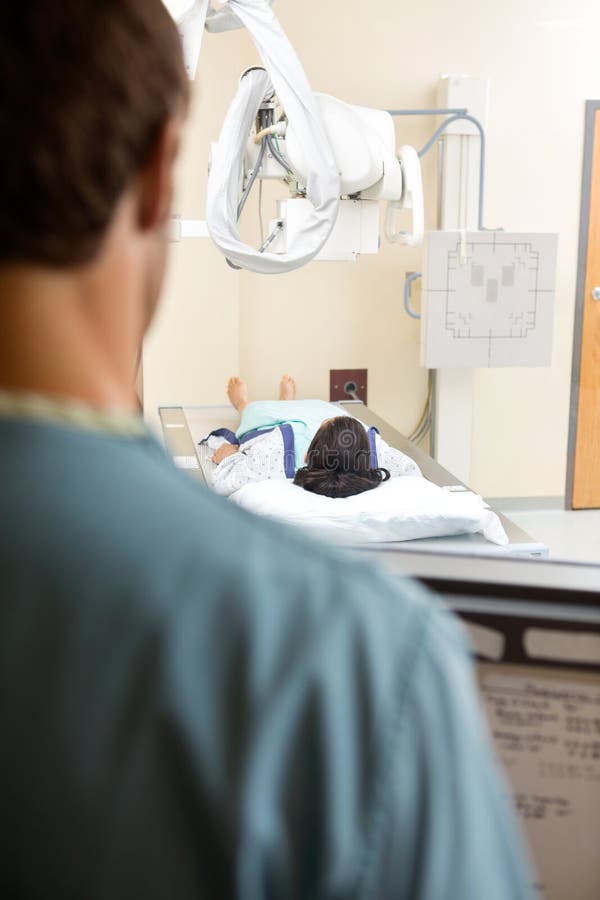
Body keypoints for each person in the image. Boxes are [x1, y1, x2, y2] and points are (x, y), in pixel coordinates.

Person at [0, 2, 533, 899]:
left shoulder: (270, 476)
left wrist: (241, 430)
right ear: (161, 171)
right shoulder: (355, 664)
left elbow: (236, 454)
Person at [206, 374, 421, 497]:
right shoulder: (379, 456)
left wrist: (229, 455)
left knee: (255, 414)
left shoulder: (274, 457)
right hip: (319, 409)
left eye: (322, 425)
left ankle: (242, 403)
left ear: (308, 456)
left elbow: (225, 480)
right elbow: (414, 474)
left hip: (279, 425)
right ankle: (286, 402)